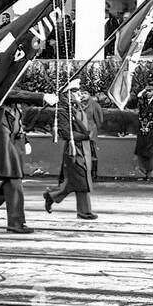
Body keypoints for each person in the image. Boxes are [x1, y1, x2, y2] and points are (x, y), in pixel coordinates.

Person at [0, 88, 57, 233]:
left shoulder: (13, 103)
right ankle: (14, 222)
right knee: (14, 182)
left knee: (12, 183)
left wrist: (26, 140)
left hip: (11, 143)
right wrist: (42, 96)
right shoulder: (0, 90)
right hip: (2, 143)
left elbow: (17, 122)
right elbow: (12, 94)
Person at [43, 81, 97, 219]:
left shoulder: (76, 107)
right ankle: (84, 211)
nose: (78, 93)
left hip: (83, 148)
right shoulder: (62, 110)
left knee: (76, 181)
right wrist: (85, 136)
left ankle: (53, 196)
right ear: (67, 94)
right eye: (74, 91)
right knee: (80, 180)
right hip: (74, 149)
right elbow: (66, 133)